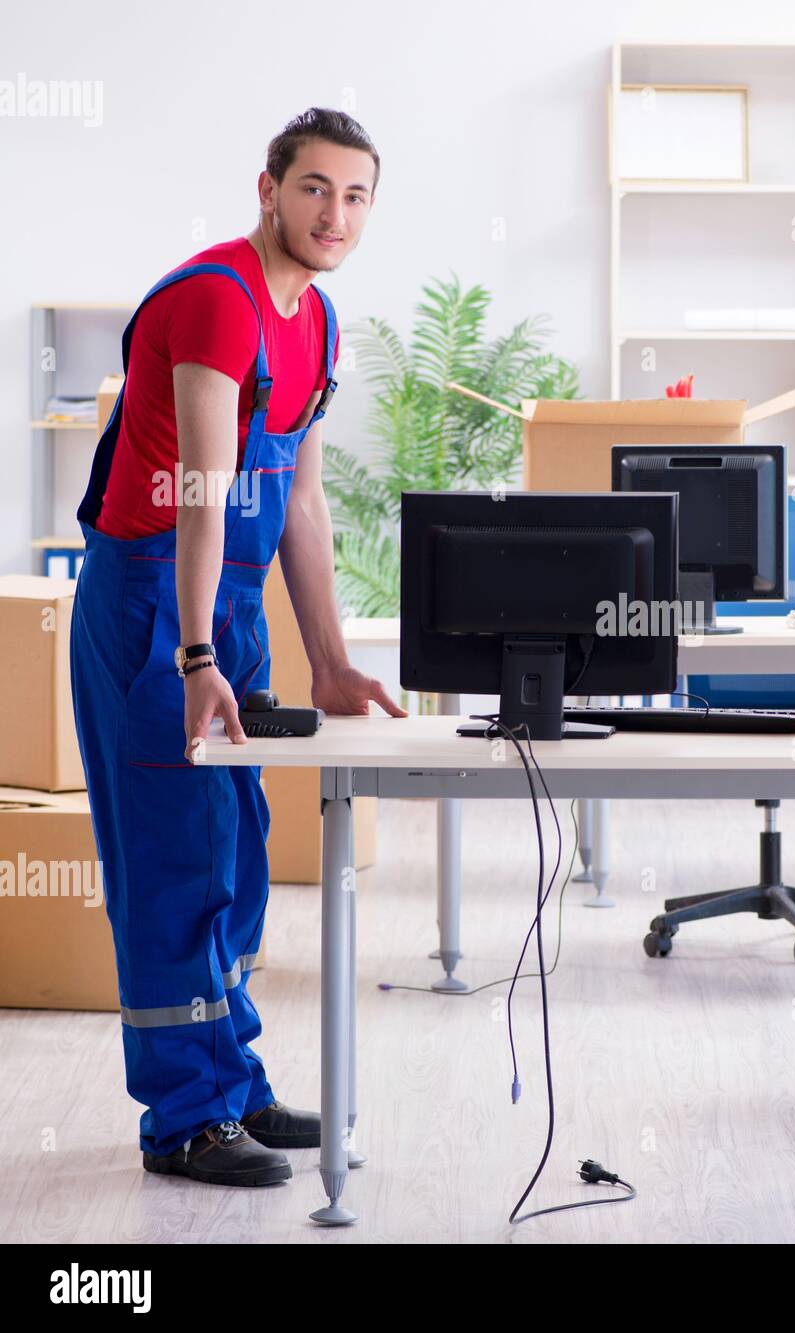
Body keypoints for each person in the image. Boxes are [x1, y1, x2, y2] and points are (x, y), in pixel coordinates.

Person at [70, 108, 406, 1188]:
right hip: (157, 606)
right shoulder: (219, 302)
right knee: (173, 858)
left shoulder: (317, 318)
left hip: (231, 606)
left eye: (355, 195)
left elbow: (300, 502)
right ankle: (183, 1118)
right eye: (314, 189)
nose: (333, 214)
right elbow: (207, 493)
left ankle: (231, 1078)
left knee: (238, 850)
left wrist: (331, 656)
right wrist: (198, 658)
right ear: (267, 189)